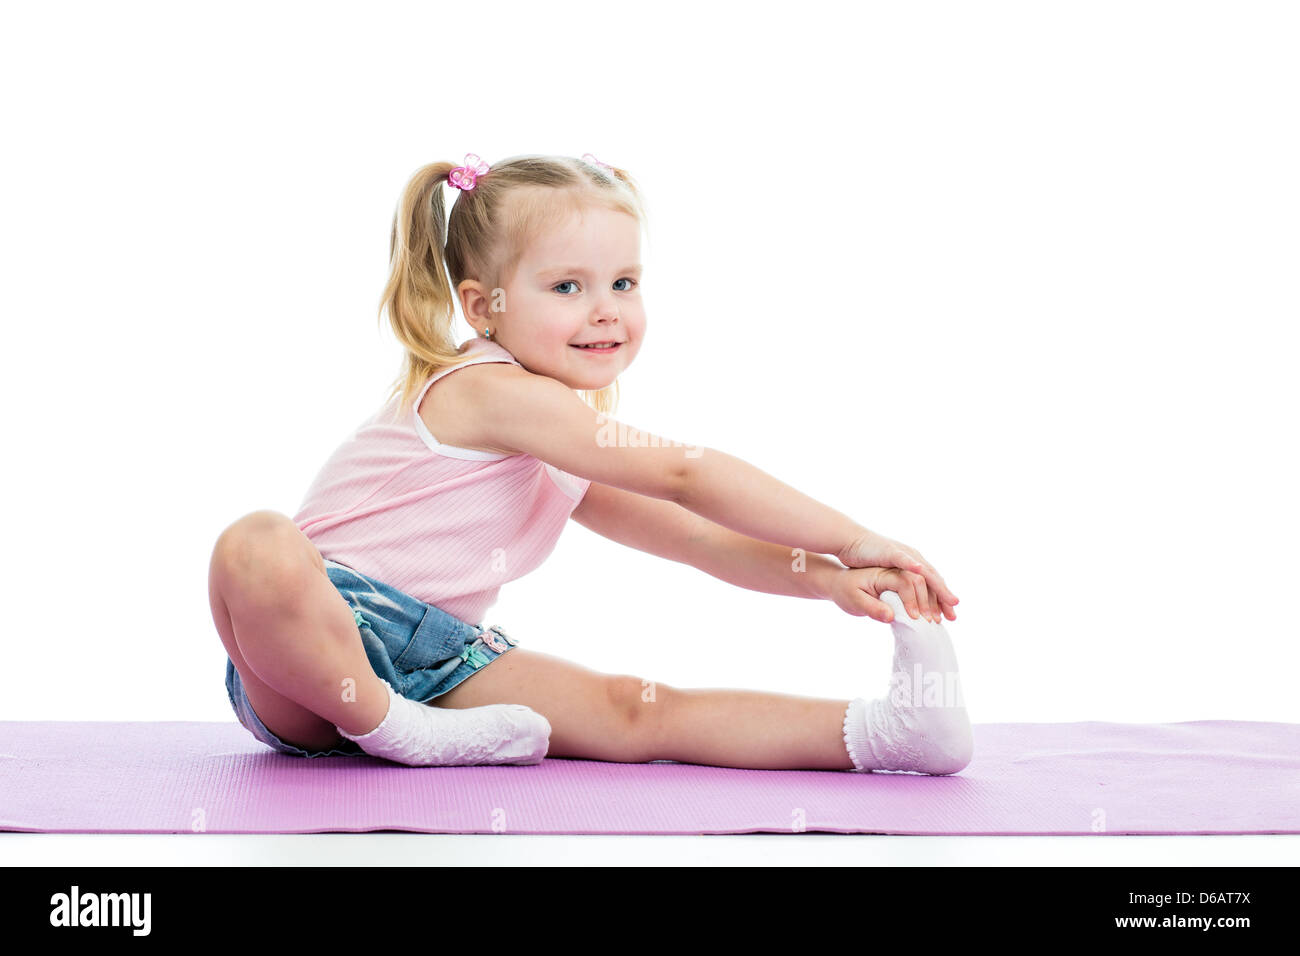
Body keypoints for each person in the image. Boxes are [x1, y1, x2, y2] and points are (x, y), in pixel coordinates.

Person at [208, 152, 973, 774]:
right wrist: (853, 537)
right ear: (484, 308)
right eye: (567, 286)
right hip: (310, 664)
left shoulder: (563, 447)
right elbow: (686, 474)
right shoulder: (491, 391)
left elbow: (696, 537)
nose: (605, 308)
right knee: (254, 544)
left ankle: (885, 735)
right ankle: (390, 728)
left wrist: (832, 581)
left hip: (439, 663)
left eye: (623, 284)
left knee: (638, 709)